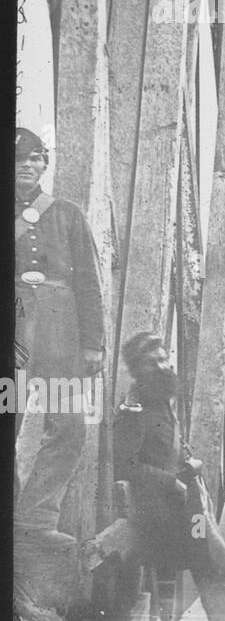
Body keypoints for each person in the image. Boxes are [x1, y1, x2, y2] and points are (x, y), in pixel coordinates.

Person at [114, 331, 225, 621]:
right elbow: (125, 464)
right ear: (136, 368)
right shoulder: (134, 410)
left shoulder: (159, 400)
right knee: (224, 574)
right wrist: (171, 481)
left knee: (210, 572)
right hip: (171, 514)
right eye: (152, 361)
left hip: (188, 509)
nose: (162, 366)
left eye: (164, 358)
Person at [13, 127, 104, 544]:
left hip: (62, 338)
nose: (26, 166)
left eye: (34, 159)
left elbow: (89, 281)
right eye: (18, 160)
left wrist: (92, 343)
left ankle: (35, 517)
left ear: (45, 165)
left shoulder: (66, 213)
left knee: (69, 427)